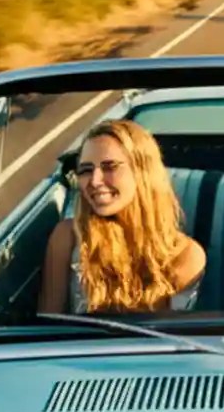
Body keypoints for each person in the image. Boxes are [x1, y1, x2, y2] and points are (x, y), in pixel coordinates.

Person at [38, 119, 205, 314]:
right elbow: (48, 326)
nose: (95, 180)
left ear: (142, 172)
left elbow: (173, 339)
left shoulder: (184, 255)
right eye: (86, 170)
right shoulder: (68, 237)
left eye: (110, 167)